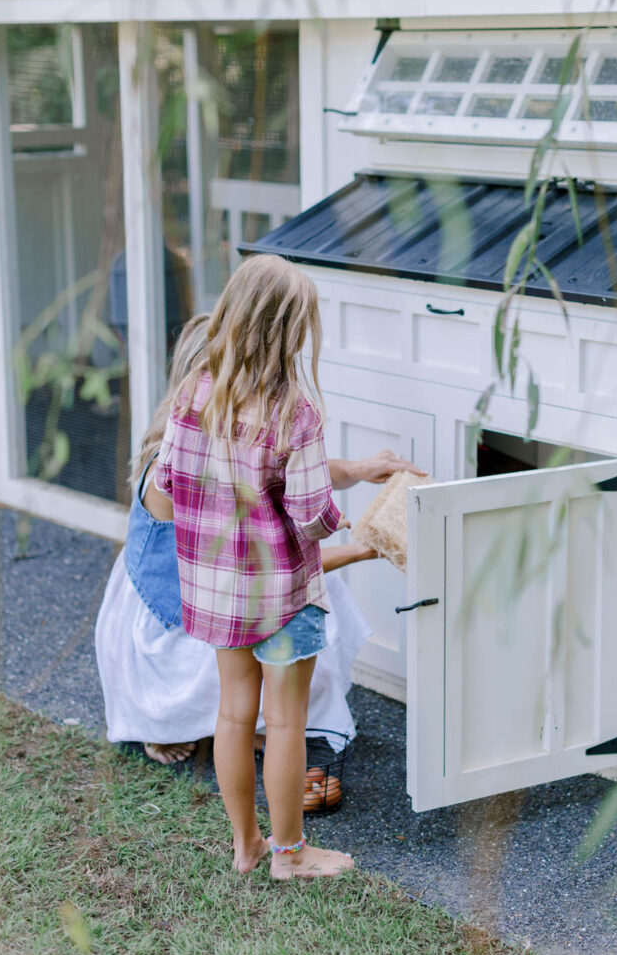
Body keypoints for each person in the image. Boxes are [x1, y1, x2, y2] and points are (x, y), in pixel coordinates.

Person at [156, 256, 420, 880]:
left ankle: (246, 844)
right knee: (285, 724)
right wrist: (346, 521)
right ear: (290, 331)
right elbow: (308, 511)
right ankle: (290, 855)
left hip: (215, 590)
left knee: (231, 715)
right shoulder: (294, 411)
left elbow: (168, 481)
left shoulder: (196, 387)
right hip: (282, 596)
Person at [95, 314, 421, 767]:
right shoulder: (171, 469)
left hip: (220, 589)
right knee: (302, 596)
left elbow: (291, 472)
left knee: (312, 600)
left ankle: (254, 721)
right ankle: (165, 719)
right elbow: (259, 571)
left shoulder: (220, 434)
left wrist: (358, 468)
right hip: (173, 613)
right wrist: (366, 549)